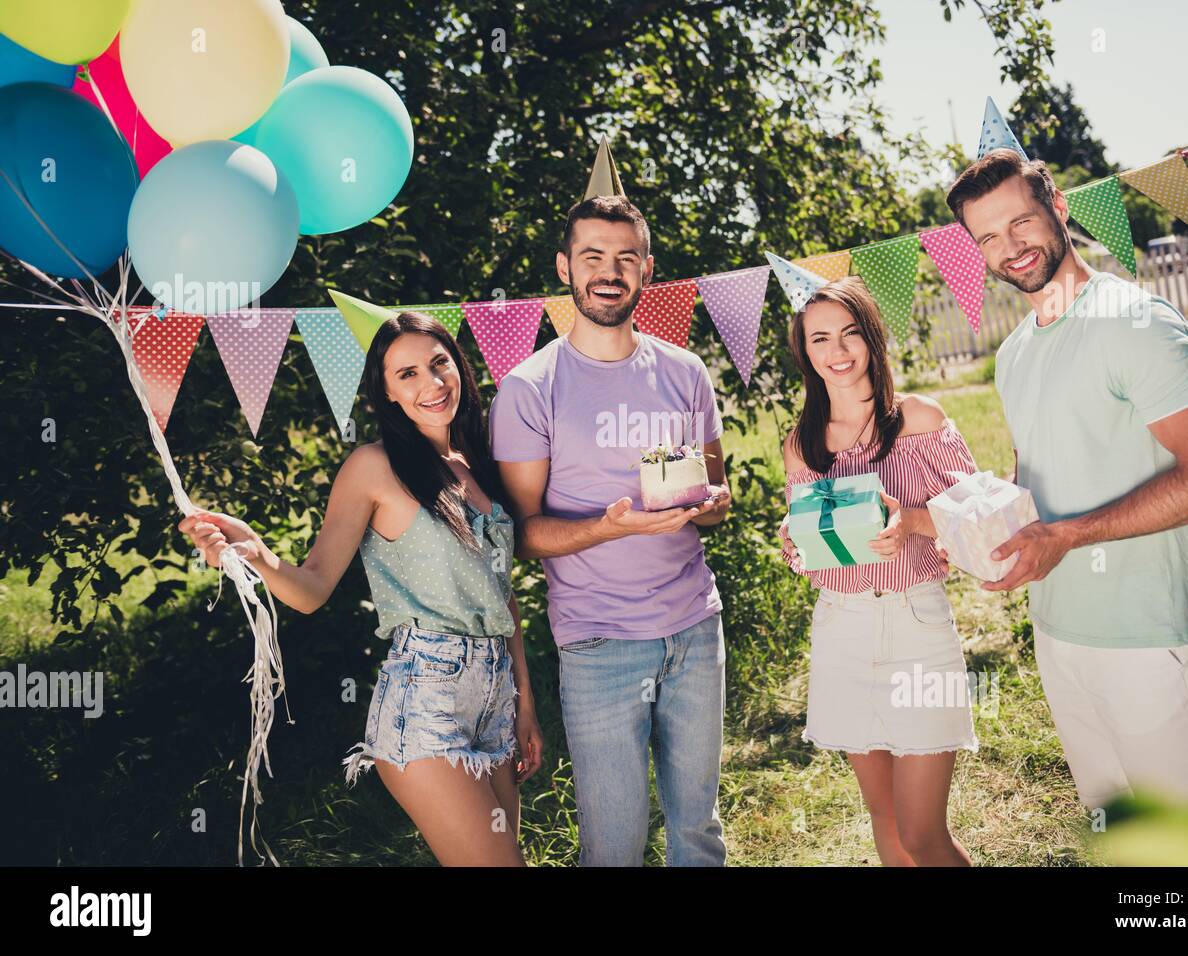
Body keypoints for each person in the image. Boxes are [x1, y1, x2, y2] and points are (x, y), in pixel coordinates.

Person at [177, 311, 544, 866]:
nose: (432, 384)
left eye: (439, 364)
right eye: (408, 374)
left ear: (460, 368)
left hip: (493, 695)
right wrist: (256, 551)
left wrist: (525, 702)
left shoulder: (476, 462)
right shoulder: (373, 466)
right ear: (387, 393)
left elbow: (502, 596)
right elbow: (311, 587)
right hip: (425, 698)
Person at [945, 148, 1188, 822]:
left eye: (1020, 222)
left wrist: (1070, 535)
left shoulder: (1134, 322)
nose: (1010, 248)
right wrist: (980, 532)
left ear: (1058, 208)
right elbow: (1039, 474)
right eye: (988, 236)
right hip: (1058, 630)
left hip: (1145, 630)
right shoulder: (1015, 352)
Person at [490, 194, 732, 866]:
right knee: (614, 846)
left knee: (697, 832)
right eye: (592, 255)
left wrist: (703, 505)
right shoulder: (529, 388)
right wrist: (607, 527)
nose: (609, 270)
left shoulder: (685, 372)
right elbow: (520, 534)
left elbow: (718, 499)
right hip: (598, 644)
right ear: (566, 267)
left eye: (626, 257)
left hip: (693, 627)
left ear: (647, 271)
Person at [776, 275, 979, 866]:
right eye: (819, 340)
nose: (836, 353)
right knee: (886, 824)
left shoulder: (918, 419)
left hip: (916, 624)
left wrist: (913, 522)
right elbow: (814, 555)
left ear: (871, 338)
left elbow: (982, 519)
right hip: (842, 629)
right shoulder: (803, 446)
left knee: (923, 834)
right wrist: (797, 543)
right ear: (804, 351)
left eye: (849, 334)